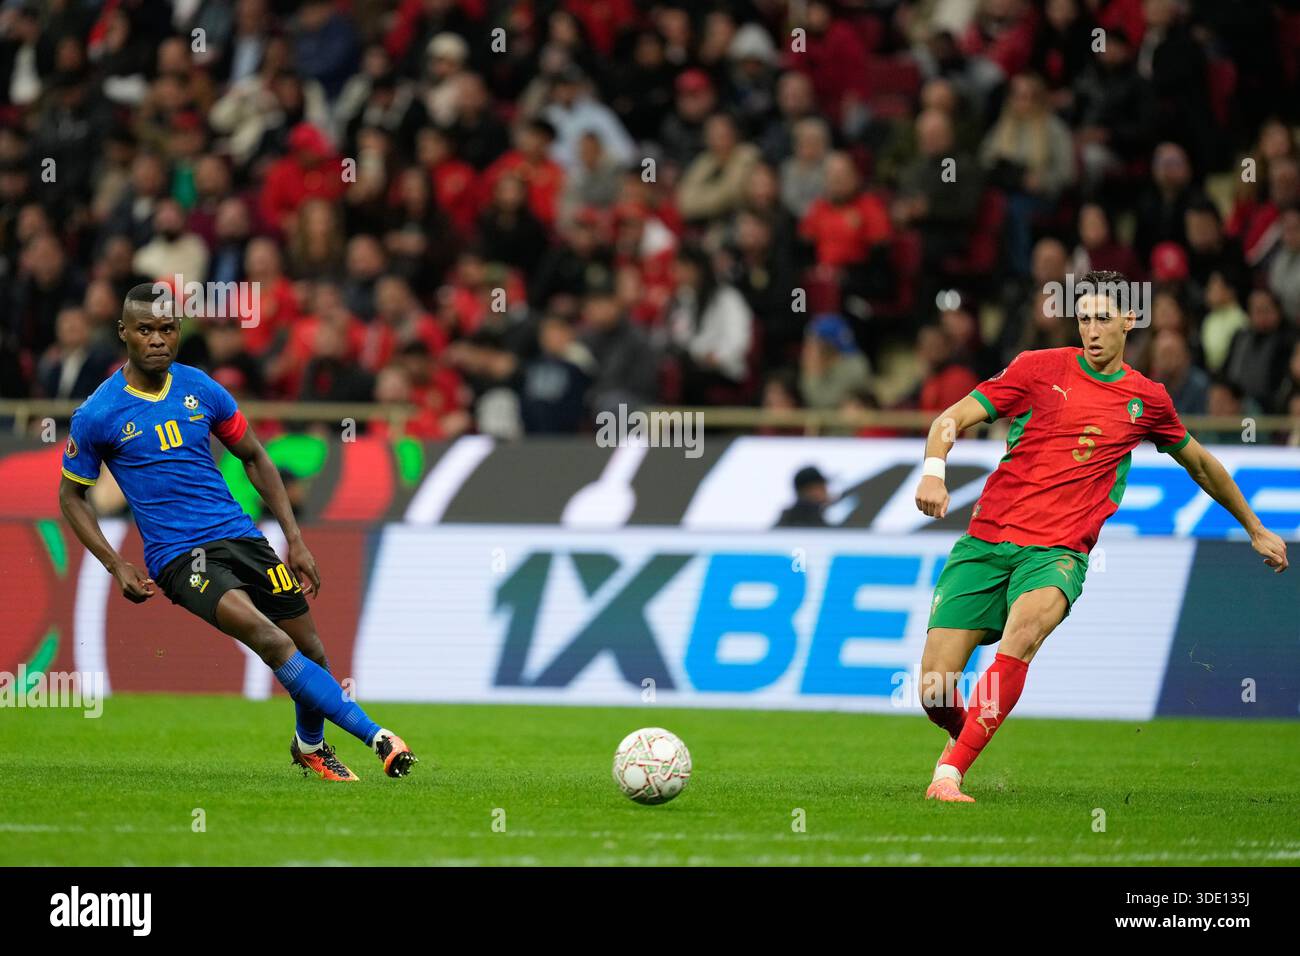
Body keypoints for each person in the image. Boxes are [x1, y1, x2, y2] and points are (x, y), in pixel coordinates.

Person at [912, 269, 1289, 803]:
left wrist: (1254, 527)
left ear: (1128, 320)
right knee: (932, 689)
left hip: (1057, 553)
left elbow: (1200, 465)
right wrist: (933, 468)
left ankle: (949, 774)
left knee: (1023, 636)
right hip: (986, 541)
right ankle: (966, 729)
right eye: (1084, 318)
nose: (1091, 330)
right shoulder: (1037, 369)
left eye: (1102, 318)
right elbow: (951, 418)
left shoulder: (1147, 400)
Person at [58, 285, 418, 783]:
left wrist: (294, 539)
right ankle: (378, 737)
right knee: (269, 640)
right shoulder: (99, 413)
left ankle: (309, 746)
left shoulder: (200, 387)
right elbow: (70, 496)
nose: (158, 340)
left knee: (310, 649)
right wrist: (115, 563)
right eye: (145, 330)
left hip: (240, 536)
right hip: (181, 557)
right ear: (124, 333)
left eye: (167, 329)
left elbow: (254, 455)